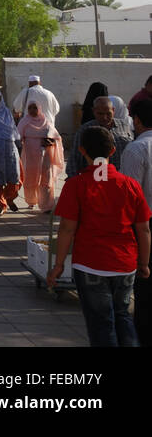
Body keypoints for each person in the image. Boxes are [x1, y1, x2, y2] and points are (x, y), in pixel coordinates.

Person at [48, 123, 151, 347]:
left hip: (90, 264)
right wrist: (144, 263)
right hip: (125, 263)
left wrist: (58, 265)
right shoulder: (130, 185)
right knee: (122, 316)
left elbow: (67, 229)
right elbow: (143, 228)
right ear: (113, 151)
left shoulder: (76, 185)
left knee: (101, 322)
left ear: (82, 150)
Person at [120, 100, 152, 346]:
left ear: (138, 120)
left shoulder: (137, 149)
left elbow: (130, 199)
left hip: (145, 228)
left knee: (145, 291)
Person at [18, 101, 65, 211]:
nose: (33, 110)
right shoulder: (24, 122)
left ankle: (46, 205)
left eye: (35, 108)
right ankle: (31, 201)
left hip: (45, 155)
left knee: (46, 178)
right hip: (30, 155)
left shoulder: (46, 122)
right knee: (30, 178)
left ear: (39, 109)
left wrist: (51, 141)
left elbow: (57, 137)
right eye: (30, 108)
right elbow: (17, 136)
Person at [68, 96, 131, 177]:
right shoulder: (84, 130)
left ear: (113, 110)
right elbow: (74, 159)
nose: (104, 117)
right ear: (93, 111)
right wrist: (74, 182)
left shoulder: (124, 126)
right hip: (94, 180)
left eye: (108, 113)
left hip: (119, 179)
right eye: (100, 114)